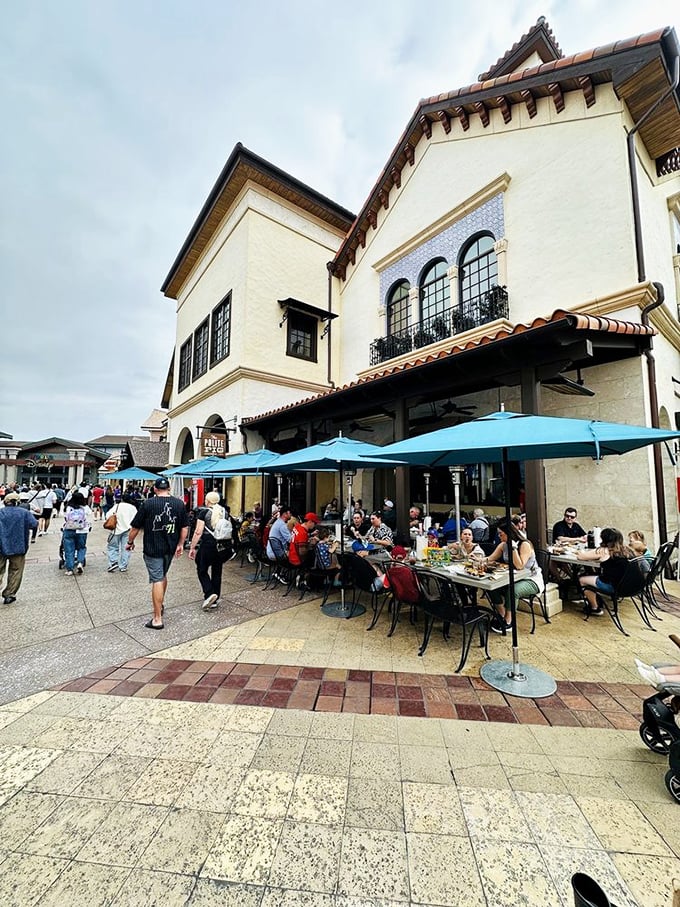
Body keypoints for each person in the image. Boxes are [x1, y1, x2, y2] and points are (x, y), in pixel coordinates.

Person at [126, 477, 189, 630]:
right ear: (169, 488)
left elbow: (135, 527)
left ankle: (157, 618)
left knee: (157, 579)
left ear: (154, 489)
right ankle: (160, 604)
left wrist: (129, 542)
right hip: (170, 547)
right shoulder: (179, 504)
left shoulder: (148, 504)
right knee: (162, 576)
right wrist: (181, 544)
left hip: (153, 547)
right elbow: (184, 527)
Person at [487, 520, 544, 633]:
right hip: (511, 578)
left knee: (513, 590)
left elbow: (519, 566)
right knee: (490, 586)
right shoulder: (503, 545)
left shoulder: (524, 545)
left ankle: (508, 622)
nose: (499, 536)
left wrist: (513, 548)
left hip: (531, 579)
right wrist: (477, 559)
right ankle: (503, 614)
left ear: (508, 533)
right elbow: (490, 559)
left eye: (501, 534)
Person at [576, 527, 633, 616]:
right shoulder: (626, 550)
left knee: (582, 580)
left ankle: (594, 608)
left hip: (612, 586)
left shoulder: (603, 550)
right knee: (593, 575)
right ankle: (596, 599)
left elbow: (581, 557)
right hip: (628, 586)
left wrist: (578, 551)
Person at [188, 491, 226, 610]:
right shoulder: (224, 512)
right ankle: (215, 597)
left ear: (208, 501)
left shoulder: (204, 512)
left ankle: (209, 593)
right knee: (217, 571)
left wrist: (192, 547)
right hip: (221, 545)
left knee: (202, 569)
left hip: (207, 545)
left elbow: (198, 531)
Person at [0, 492, 38, 603]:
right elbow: (34, 524)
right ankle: (9, 594)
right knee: (16, 571)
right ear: (17, 502)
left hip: (1, 546)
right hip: (19, 546)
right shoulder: (24, 513)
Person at [62, 491, 93, 576]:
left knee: (69, 550)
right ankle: (80, 562)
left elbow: (65, 518)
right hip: (82, 530)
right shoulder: (85, 508)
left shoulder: (68, 507)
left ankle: (70, 569)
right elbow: (90, 517)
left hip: (69, 530)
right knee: (81, 548)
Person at [106, 493, 138, 573]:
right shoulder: (133, 508)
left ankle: (113, 563)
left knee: (113, 547)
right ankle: (123, 566)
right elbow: (137, 519)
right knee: (126, 548)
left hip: (116, 530)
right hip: (128, 530)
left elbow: (108, 515)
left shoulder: (117, 506)